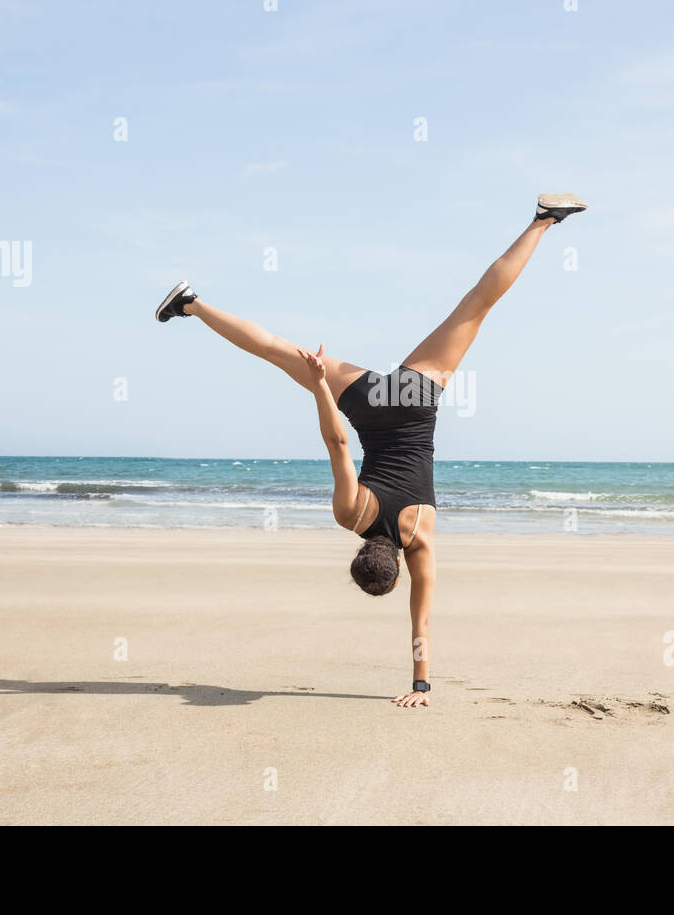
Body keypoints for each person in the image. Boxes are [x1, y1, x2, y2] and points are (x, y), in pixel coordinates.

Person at [155, 193, 587, 707]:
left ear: (398, 566)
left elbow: (420, 618)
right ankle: (190, 303)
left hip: (414, 396)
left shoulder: (420, 538)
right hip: (367, 404)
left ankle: (543, 221)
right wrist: (318, 384)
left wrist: (420, 685)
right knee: (275, 349)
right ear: (360, 552)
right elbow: (338, 440)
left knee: (477, 305)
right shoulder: (351, 514)